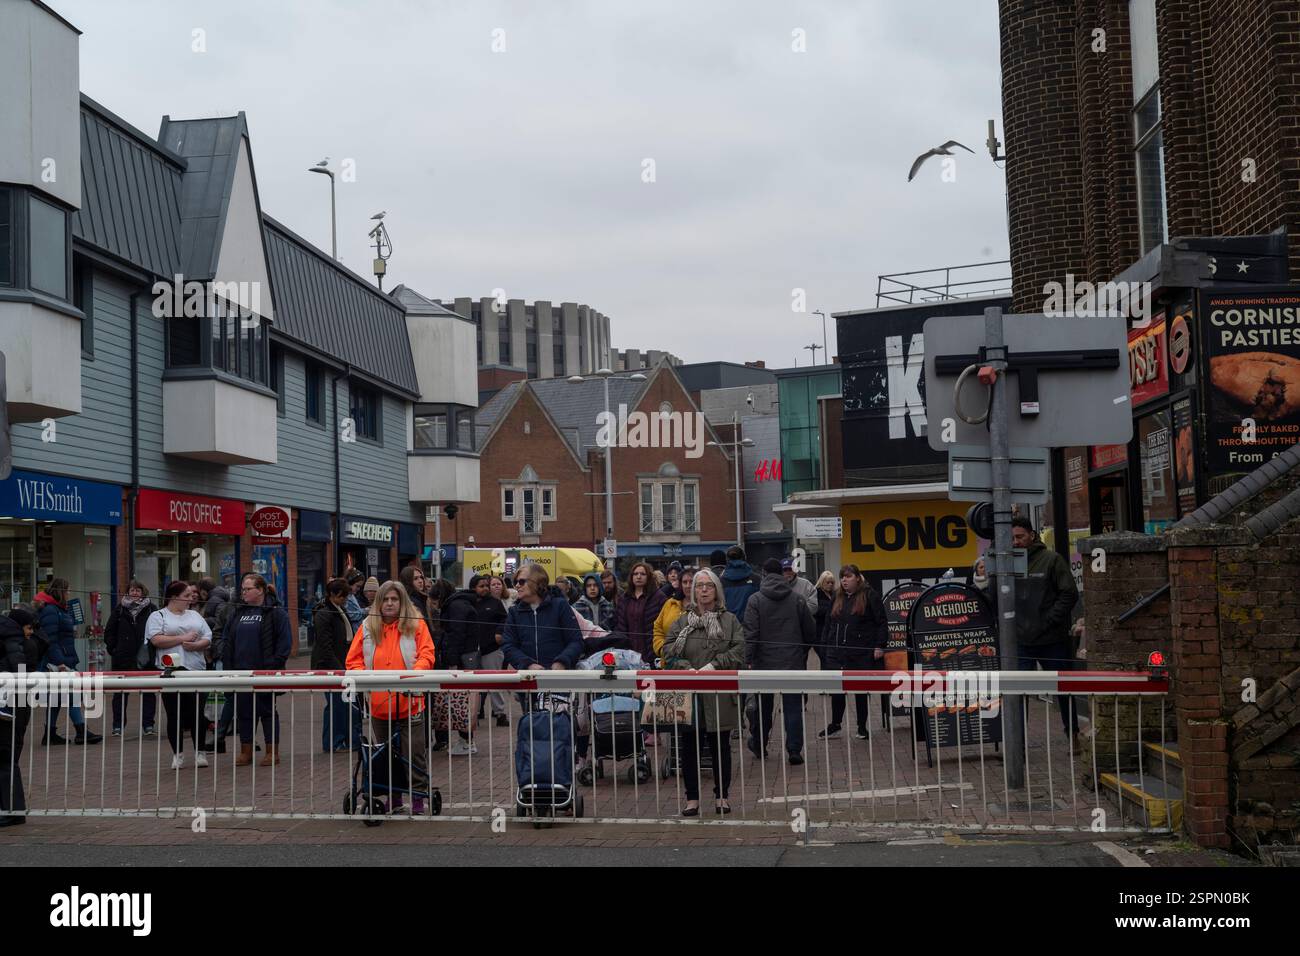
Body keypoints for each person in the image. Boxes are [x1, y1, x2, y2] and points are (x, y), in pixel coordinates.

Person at [345, 580, 436, 814]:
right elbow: (352, 660)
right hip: (378, 704)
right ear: (378, 602)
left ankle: (417, 798)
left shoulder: (416, 624)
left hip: (411, 701)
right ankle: (393, 798)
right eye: (385, 599)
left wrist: (416, 674)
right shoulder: (366, 626)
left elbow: (427, 653)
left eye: (394, 599)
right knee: (384, 755)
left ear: (402, 601)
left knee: (414, 753)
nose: (389, 603)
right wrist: (364, 677)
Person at [661, 569, 743, 816]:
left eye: (709, 585)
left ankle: (722, 796)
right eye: (699, 586)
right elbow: (668, 650)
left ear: (717, 590)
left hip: (718, 693)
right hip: (690, 693)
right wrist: (688, 669)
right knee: (689, 747)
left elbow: (739, 650)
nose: (704, 590)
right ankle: (692, 799)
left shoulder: (729, 621)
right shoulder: (682, 621)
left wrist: (714, 665)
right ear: (693, 591)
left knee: (720, 746)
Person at [1012, 517, 1081, 739]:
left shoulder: (1051, 560)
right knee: (1018, 693)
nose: (1016, 542)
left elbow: (1069, 593)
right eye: (1011, 538)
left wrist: (1050, 620)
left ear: (1032, 535)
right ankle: (1017, 746)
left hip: (1052, 640)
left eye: (1020, 536)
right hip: (1022, 640)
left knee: (1064, 689)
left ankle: (1072, 734)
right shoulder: (1008, 564)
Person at [743, 558, 816, 765]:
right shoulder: (797, 599)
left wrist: (749, 659)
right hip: (792, 661)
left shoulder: (755, 600)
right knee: (793, 707)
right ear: (784, 574)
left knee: (762, 707)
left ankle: (759, 743)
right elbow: (810, 632)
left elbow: (751, 633)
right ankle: (794, 749)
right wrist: (801, 653)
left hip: (763, 663)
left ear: (764, 574)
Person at [222, 574, 293, 766]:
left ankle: (272, 751)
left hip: (265, 673)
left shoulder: (276, 613)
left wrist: (272, 666)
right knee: (244, 713)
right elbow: (227, 639)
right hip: (240, 673)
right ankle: (246, 751)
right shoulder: (237, 613)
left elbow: (284, 645)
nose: (243, 593)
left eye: (247, 589)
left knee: (267, 712)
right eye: (242, 589)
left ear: (260, 590)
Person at [146, 580, 212, 769]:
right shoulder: (158, 616)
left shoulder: (195, 615)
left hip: (195, 668)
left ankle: (200, 752)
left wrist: (197, 645)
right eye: (186, 596)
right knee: (174, 713)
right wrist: (182, 639)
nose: (190, 600)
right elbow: (156, 639)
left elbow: (207, 637)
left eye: (191, 596)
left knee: (197, 713)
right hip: (170, 671)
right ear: (174, 597)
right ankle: (178, 754)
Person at [817, 565, 887, 741]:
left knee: (860, 690)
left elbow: (882, 622)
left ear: (857, 578)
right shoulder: (837, 596)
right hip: (837, 651)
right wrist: (825, 646)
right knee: (837, 689)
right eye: (842, 577)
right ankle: (835, 724)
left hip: (860, 651)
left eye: (848, 577)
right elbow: (828, 623)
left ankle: (862, 726)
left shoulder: (870, 595)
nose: (844, 580)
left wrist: (880, 645)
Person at [35, 578, 102, 746]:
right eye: (68, 590)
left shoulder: (56, 609)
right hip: (58, 661)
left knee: (56, 697)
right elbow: (50, 639)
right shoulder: (52, 610)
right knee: (72, 693)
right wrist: (60, 663)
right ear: (60, 592)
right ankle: (81, 731)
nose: (69, 593)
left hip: (61, 658)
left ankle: (49, 733)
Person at [501, 564, 583, 673]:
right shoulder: (514, 612)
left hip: (558, 679)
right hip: (527, 679)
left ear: (537, 582)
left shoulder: (560, 606)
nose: (516, 586)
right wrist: (527, 664)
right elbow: (508, 645)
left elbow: (576, 641)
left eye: (521, 582)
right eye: (515, 582)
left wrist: (562, 661)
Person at [0, 607, 41, 826]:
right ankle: (10, 807)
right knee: (8, 757)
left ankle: (12, 809)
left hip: (12, 704)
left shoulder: (21, 645)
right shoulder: (25, 644)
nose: (30, 632)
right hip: (18, 704)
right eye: (27, 628)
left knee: (7, 757)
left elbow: (20, 673)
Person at [312, 577, 360, 752]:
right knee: (336, 705)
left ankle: (347, 740)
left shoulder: (338, 610)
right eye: (342, 597)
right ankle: (334, 742)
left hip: (342, 663)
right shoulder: (324, 614)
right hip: (332, 667)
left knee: (345, 704)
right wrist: (339, 669)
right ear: (332, 595)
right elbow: (325, 646)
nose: (344, 600)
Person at [104, 580, 158, 737]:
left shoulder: (152, 610)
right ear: (127, 592)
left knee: (148, 691)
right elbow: (109, 632)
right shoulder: (119, 610)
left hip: (145, 657)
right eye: (132, 590)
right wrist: (114, 649)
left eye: (138, 590)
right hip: (123, 658)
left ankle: (148, 725)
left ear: (143, 592)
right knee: (120, 693)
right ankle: (117, 726)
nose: (135, 593)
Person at [439, 577, 482, 755]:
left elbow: (456, 634)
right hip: (470, 654)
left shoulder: (455, 607)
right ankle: (467, 739)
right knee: (467, 699)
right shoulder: (463, 604)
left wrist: (452, 661)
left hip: (462, 657)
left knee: (461, 700)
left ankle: (466, 741)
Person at [612, 561, 667, 665]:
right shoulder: (624, 599)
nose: (638, 576)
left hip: (651, 653)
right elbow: (619, 626)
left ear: (649, 577)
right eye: (635, 574)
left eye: (642, 574)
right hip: (628, 653)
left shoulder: (659, 597)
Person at [476, 576, 510, 725]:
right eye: (481, 585)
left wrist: (498, 633)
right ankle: (476, 711)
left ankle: (500, 713)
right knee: (475, 684)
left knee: (495, 682)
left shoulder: (495, 603)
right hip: (474, 649)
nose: (484, 588)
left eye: (486, 585)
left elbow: (505, 620)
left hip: (492, 648)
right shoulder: (472, 602)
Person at [652, 566, 695, 661]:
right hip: (669, 661)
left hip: (695, 663)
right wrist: (662, 649)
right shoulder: (670, 603)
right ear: (680, 584)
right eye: (684, 582)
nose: (688, 585)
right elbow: (657, 628)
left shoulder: (703, 606)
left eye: (691, 582)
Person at [720, 546, 760, 618]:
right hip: (750, 625)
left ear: (727, 560)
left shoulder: (720, 581)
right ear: (744, 558)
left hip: (728, 626)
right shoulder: (756, 579)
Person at [813, 571, 835, 644]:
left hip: (831, 628)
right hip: (819, 628)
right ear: (822, 582)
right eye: (828, 582)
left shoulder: (834, 594)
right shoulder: (816, 593)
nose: (830, 585)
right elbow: (816, 610)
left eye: (832, 583)